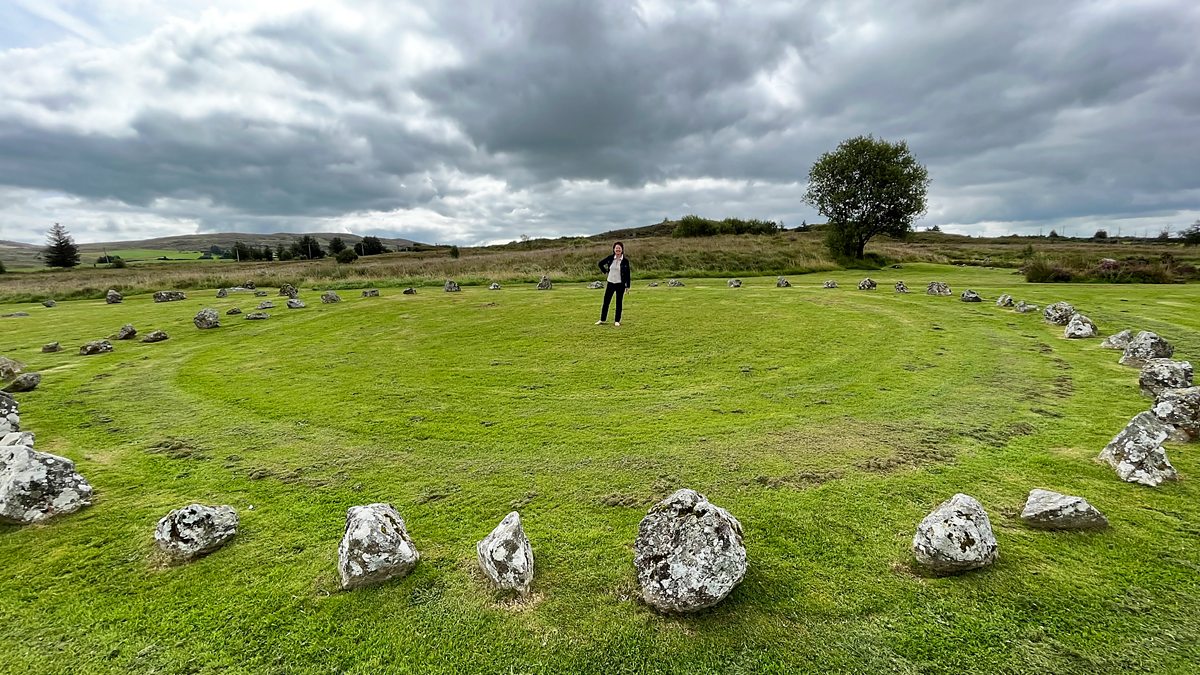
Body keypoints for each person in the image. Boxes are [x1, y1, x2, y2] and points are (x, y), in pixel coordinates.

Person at [596, 241, 631, 326]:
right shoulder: (610, 258)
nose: (618, 249)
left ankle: (617, 321)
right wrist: (606, 271)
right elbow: (600, 264)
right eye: (616, 248)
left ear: (622, 249)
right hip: (610, 283)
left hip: (620, 284)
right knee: (606, 302)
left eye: (619, 248)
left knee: (619, 302)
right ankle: (602, 319)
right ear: (614, 249)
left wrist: (627, 286)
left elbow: (627, 274)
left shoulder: (625, 261)